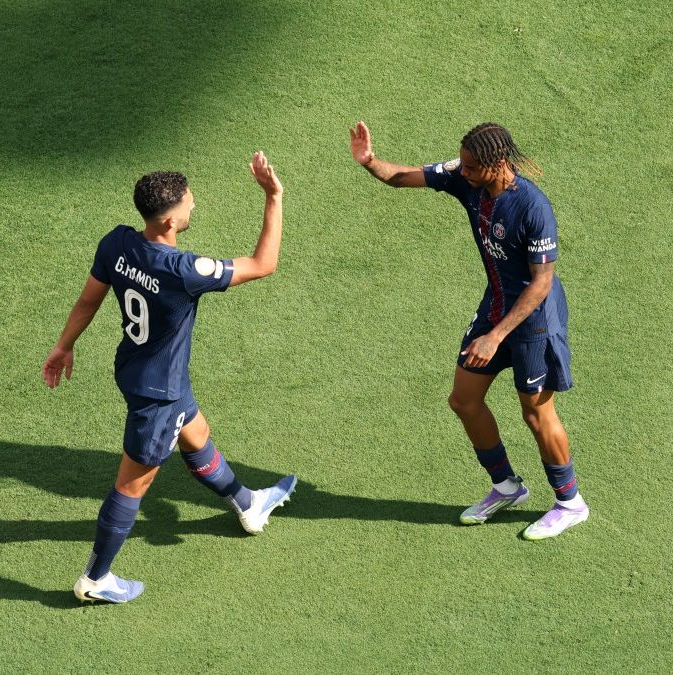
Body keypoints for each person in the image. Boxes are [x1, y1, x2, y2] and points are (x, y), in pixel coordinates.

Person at [42, 152, 297, 604]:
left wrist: (64, 345)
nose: (193, 206)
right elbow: (264, 263)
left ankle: (247, 504)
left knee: (196, 432)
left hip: (138, 370)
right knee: (131, 484)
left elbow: (88, 301)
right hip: (157, 393)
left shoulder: (117, 243)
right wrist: (273, 197)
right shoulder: (183, 272)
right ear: (169, 222)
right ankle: (96, 578)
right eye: (187, 205)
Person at [349, 121, 588, 539]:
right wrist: (370, 161)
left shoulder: (533, 208)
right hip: (495, 308)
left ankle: (570, 503)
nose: (463, 171)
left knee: (535, 411)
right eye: (463, 162)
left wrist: (496, 336)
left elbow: (542, 282)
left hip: (535, 321)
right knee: (464, 400)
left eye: (473, 166)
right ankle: (506, 486)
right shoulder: (469, 179)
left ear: (497, 164)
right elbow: (403, 177)